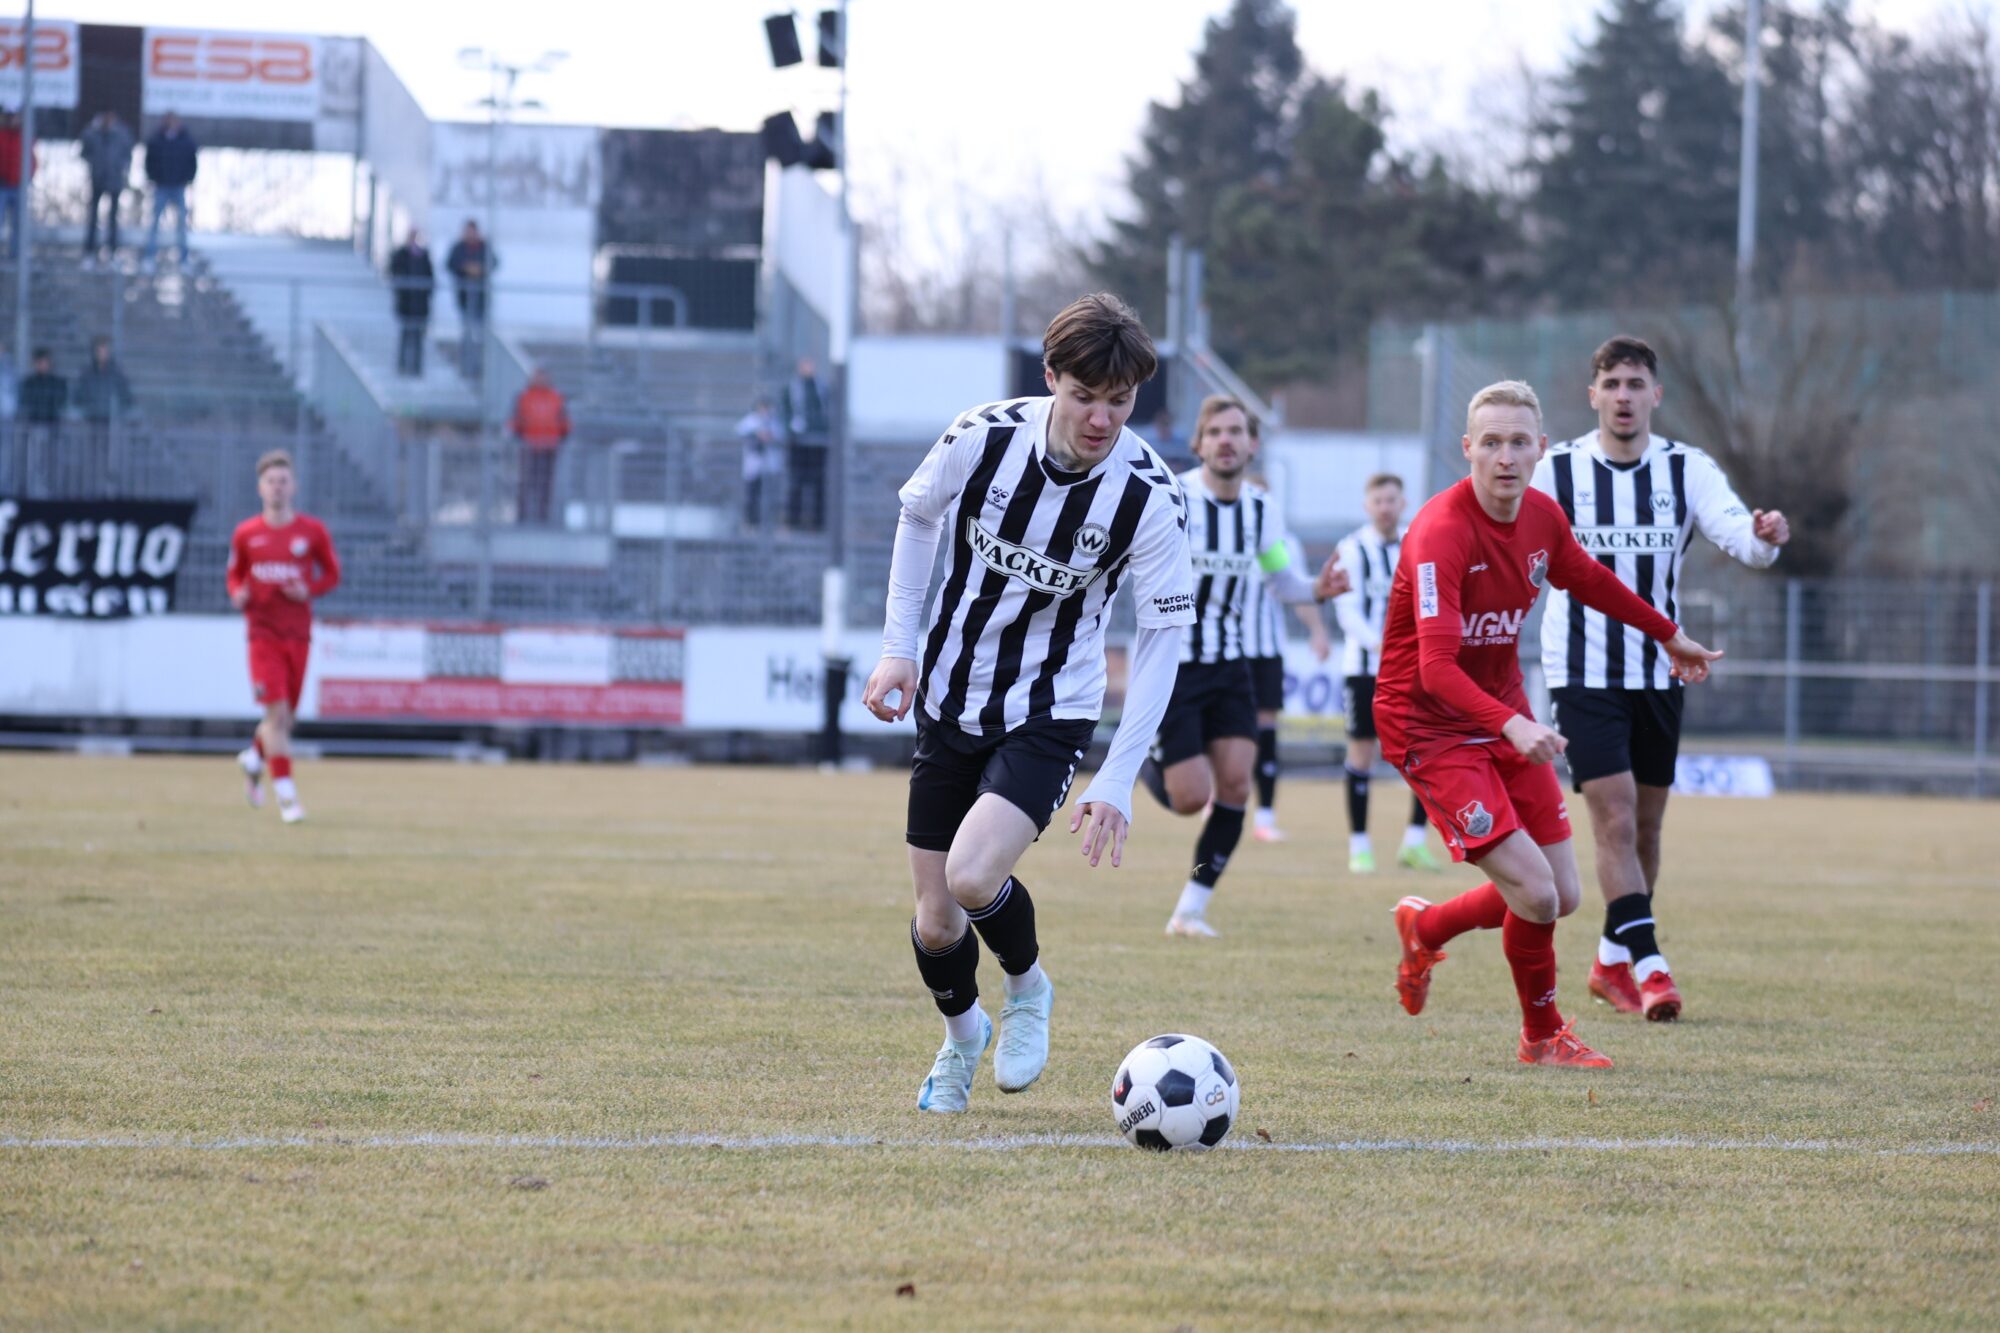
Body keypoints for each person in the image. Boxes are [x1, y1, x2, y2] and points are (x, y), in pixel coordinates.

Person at [861, 293, 1198, 1115]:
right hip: (947, 694)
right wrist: (897, 646)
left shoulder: (1149, 495)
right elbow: (916, 517)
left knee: (976, 874)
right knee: (936, 920)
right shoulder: (982, 436)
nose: (1101, 418)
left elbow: (1160, 644)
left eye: (1118, 403)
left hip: (1051, 706)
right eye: (1085, 396)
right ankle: (961, 1035)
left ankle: (1029, 988)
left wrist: (1119, 774)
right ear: (1051, 378)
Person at [1380, 381, 1721, 1068]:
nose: (1505, 456)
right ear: (1468, 448)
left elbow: (1589, 578)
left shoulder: (1540, 516)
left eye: (1518, 442)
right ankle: (1542, 1036)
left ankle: (1428, 925)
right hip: (1430, 726)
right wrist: (1510, 726)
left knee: (1561, 894)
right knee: (1534, 893)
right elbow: (1437, 670)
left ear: (1541, 448)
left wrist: (1668, 633)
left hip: (1503, 714)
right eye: (1491, 442)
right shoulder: (1439, 534)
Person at [1531, 335, 1790, 1022]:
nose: (1623, 395)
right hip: (1581, 672)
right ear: (1593, 395)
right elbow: (1503, 537)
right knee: (1613, 818)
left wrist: (1765, 535)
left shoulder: (1687, 468)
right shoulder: (1554, 471)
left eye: (1635, 383)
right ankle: (1652, 968)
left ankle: (1612, 961)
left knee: (1646, 831)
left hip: (1661, 667)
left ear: (1655, 395)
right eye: (1611, 383)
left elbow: (1743, 539)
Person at [1137, 395, 1348, 938]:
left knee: (1234, 785)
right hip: (1175, 664)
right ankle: (1148, 764)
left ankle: (1191, 908)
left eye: (1237, 431)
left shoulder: (1261, 511)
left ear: (1253, 445)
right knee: (1190, 799)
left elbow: (1281, 579)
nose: (1227, 440)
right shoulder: (1173, 496)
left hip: (1232, 666)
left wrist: (1318, 591)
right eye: (1216, 432)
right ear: (1199, 443)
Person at [1332, 473, 1441, 872]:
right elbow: (1347, 612)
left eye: (1392, 500)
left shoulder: (1419, 541)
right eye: (1378, 500)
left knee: (1426, 752)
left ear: (1402, 503)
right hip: (1364, 670)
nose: (1385, 507)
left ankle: (1414, 841)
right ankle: (1359, 847)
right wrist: (1382, 647)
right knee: (1361, 752)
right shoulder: (1352, 548)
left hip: (1414, 670)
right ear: (1367, 505)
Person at [227, 451, 340, 825]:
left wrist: (307, 589)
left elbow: (332, 575)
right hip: (262, 634)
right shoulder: (246, 533)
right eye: (271, 481)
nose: (277, 487)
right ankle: (288, 799)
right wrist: (238, 595)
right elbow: (234, 576)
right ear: (260, 488)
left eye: (283, 480)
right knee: (276, 715)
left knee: (284, 720)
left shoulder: (311, 532)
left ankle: (254, 758)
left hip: (297, 634)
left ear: (294, 486)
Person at [510, 369, 570, 524]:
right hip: (528, 447)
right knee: (526, 482)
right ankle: (522, 517)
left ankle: (543, 517)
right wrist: (521, 436)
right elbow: (516, 421)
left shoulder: (556, 398)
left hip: (549, 448)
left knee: (545, 485)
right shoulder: (524, 398)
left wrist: (559, 438)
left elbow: (564, 422)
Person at [74, 336, 134, 488]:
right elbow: (78, 396)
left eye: (105, 350)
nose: (102, 353)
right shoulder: (87, 373)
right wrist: (86, 409)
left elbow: (126, 396)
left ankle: (111, 486)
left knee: (111, 457)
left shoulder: (116, 374)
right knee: (91, 457)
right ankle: (91, 485)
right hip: (91, 421)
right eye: (99, 350)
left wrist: (120, 411)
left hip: (111, 423)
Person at [141, 112, 198, 268]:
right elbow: (149, 161)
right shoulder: (156, 140)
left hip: (178, 186)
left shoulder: (186, 141)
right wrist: (153, 178)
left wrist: (188, 179)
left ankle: (184, 258)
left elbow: (192, 162)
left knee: (181, 224)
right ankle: (150, 256)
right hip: (161, 186)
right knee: (154, 223)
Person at [80, 110, 134, 265]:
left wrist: (121, 168)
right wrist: (94, 165)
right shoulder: (92, 133)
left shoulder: (122, 135)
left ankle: (113, 250)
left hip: (115, 180)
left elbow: (128, 154)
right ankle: (90, 251)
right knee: (93, 217)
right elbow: (84, 152)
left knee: (113, 218)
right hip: (97, 180)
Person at [781, 357, 828, 529]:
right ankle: (793, 522)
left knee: (819, 484)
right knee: (796, 483)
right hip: (798, 444)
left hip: (818, 445)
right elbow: (786, 414)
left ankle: (817, 523)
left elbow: (825, 412)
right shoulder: (792, 389)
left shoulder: (821, 388)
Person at [447, 220, 496, 377]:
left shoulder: (484, 247)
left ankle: (480, 367)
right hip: (464, 298)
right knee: (467, 334)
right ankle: (466, 366)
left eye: (472, 231)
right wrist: (465, 268)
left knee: (481, 335)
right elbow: (451, 264)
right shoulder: (459, 248)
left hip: (481, 299)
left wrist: (480, 269)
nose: (470, 234)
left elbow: (493, 263)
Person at [388, 230, 435, 377]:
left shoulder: (423, 255)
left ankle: (416, 368)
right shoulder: (400, 255)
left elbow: (430, 278)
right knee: (405, 336)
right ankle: (402, 367)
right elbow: (394, 272)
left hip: (420, 306)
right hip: (406, 305)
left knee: (418, 338)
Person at [18, 348, 65, 496]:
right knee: (34, 462)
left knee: (52, 463)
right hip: (34, 427)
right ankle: (33, 492)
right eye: (39, 362)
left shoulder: (57, 383)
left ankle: (51, 492)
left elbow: (60, 402)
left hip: (52, 427)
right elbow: (26, 403)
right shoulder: (29, 383)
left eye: (45, 362)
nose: (42, 365)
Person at [735, 395, 781, 528]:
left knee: (769, 496)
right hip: (754, 465)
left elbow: (780, 434)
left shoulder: (774, 421)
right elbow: (740, 431)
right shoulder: (751, 420)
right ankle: (751, 523)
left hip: (770, 466)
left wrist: (769, 436)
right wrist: (756, 435)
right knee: (752, 495)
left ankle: (769, 523)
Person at [0, 108, 36, 261]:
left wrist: (28, 177)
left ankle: (15, 255)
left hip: (19, 186)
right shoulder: (2, 135)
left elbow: (32, 159)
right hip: (2, 185)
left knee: (18, 224)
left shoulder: (25, 136)